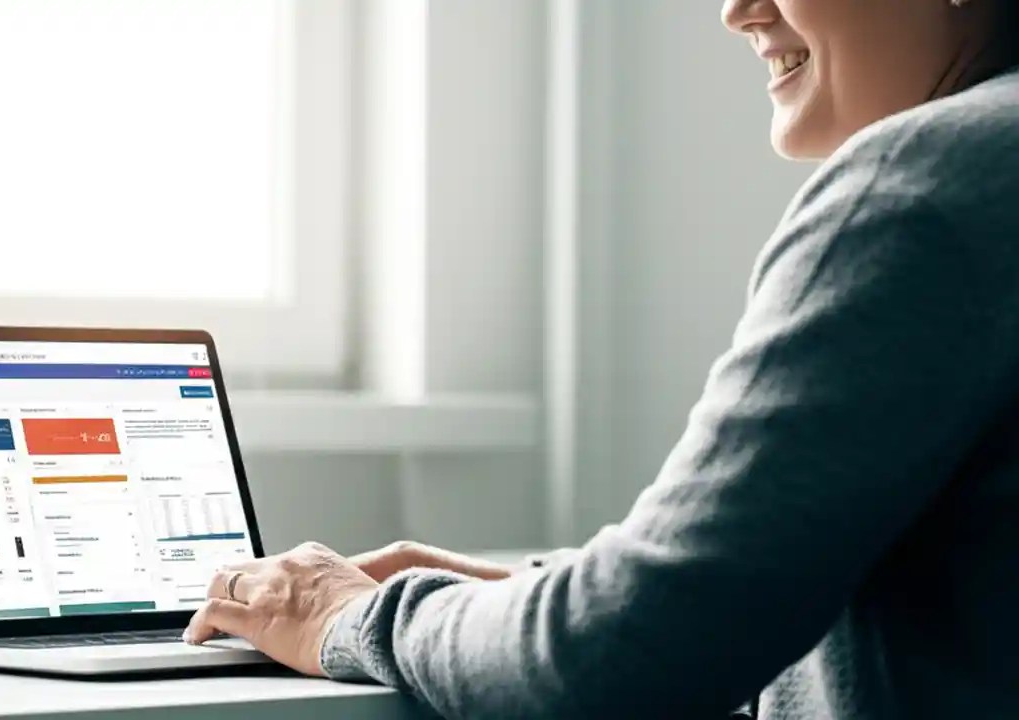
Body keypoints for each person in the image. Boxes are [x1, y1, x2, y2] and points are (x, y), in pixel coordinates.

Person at [185, 0, 1019, 717]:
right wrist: (536, 602)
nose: (737, 11)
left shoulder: (920, 186)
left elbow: (625, 657)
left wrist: (352, 618)